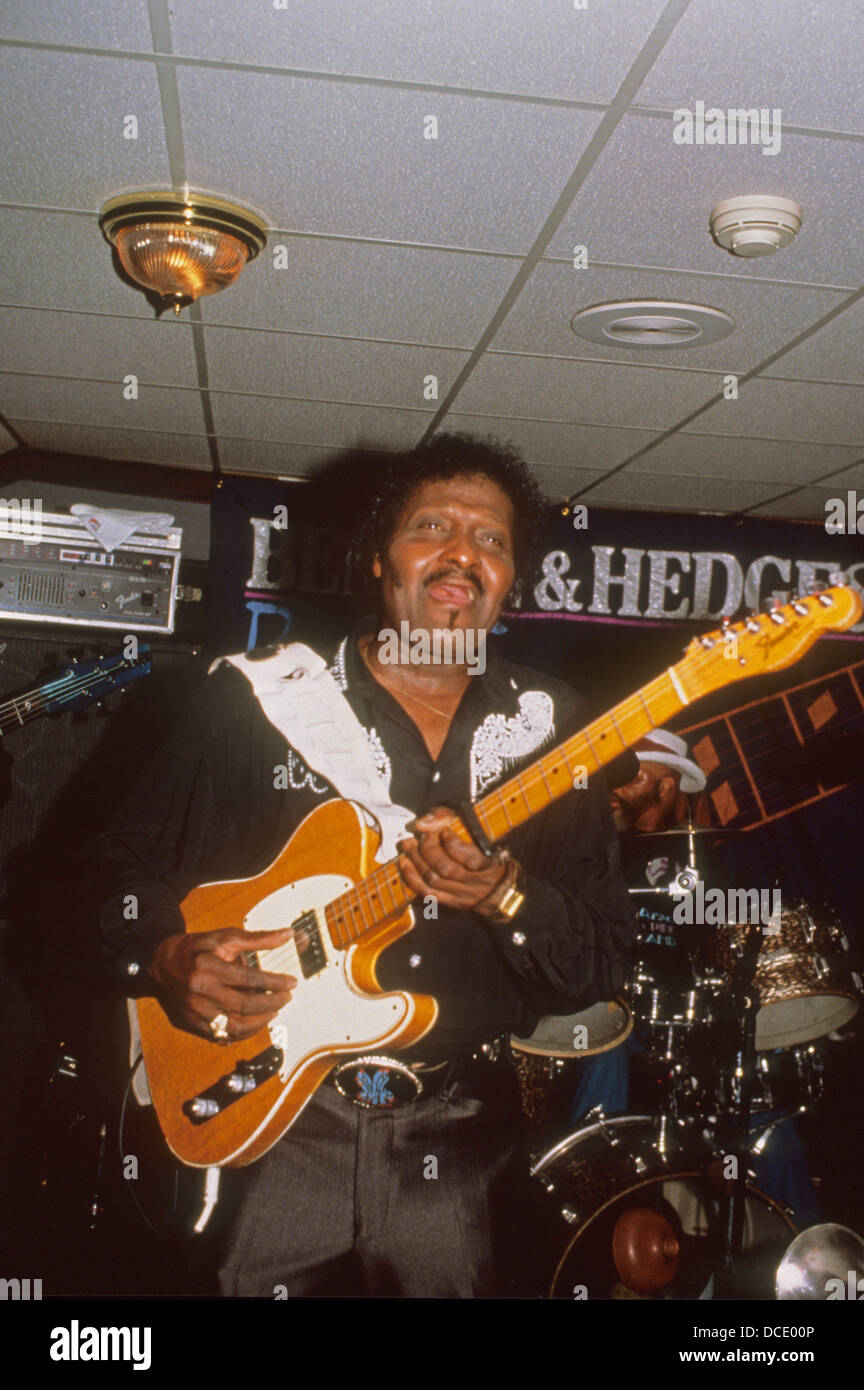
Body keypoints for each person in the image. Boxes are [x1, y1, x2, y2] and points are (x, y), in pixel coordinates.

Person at [87, 433, 636, 1298]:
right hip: (266, 1122)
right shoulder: (259, 699)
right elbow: (108, 872)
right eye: (433, 528)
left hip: (461, 1135)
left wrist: (508, 895)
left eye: (492, 540)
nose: (464, 554)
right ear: (379, 561)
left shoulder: (551, 731)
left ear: (511, 583)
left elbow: (598, 959)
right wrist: (164, 956)